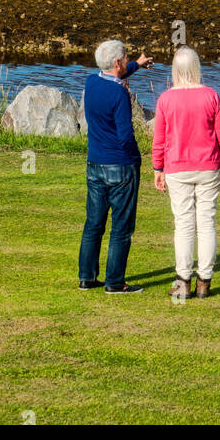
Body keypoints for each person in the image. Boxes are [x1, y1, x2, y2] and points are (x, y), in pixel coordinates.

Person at [152, 45, 220, 300]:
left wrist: (158, 168)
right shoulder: (211, 95)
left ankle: (183, 280)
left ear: (175, 70)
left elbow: (159, 139)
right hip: (208, 166)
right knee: (206, 222)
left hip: (178, 167)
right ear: (196, 68)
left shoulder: (166, 99)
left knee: (184, 224)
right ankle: (204, 280)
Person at [78, 38, 154, 294]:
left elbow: (114, 74)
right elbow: (125, 135)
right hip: (121, 166)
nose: (126, 61)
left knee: (94, 224)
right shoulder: (119, 93)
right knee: (121, 227)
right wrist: (136, 158)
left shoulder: (91, 82)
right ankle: (114, 282)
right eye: (125, 58)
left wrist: (136, 65)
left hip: (95, 164)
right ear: (116, 61)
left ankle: (87, 278)